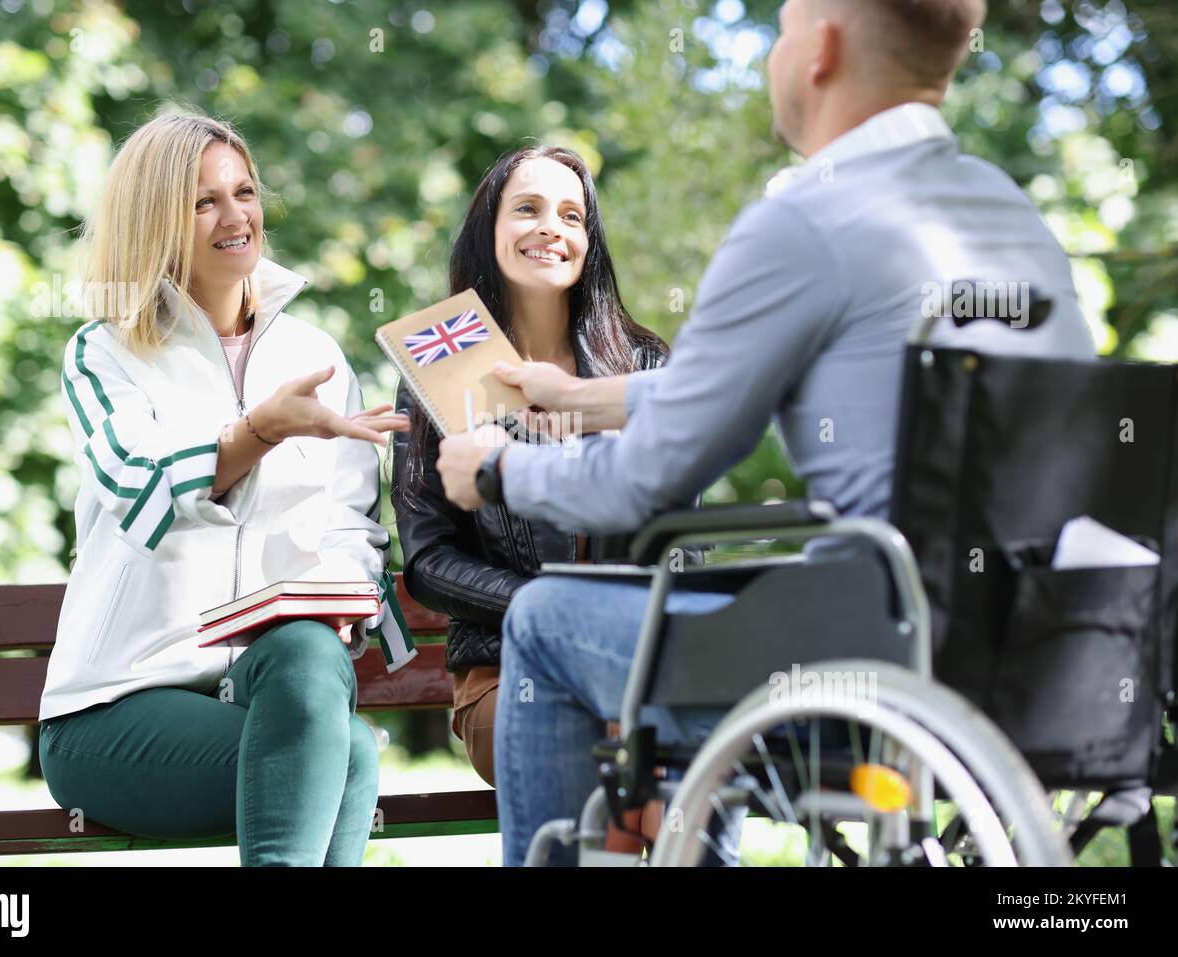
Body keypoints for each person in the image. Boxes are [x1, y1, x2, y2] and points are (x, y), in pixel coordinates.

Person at [434, 0, 1096, 865]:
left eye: (781, 28)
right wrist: (580, 397)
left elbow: (648, 478)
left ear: (820, 46)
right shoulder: (1008, 216)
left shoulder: (808, 221)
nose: (772, 53)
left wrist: (498, 472)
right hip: (1050, 658)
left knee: (548, 619)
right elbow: (718, 391)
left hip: (878, 656)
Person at [37, 113, 411, 866]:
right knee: (348, 759)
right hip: (114, 711)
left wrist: (343, 600)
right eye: (203, 202)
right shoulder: (105, 350)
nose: (236, 216)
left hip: (264, 694)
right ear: (155, 220)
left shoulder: (316, 356)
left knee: (311, 659)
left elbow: (351, 528)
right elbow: (136, 482)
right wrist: (257, 433)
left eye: (244, 192)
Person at [391, 145, 670, 787]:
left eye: (573, 216)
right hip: (507, 667)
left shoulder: (647, 366)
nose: (552, 227)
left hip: (638, 657)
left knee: (668, 743)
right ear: (488, 231)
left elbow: (681, 539)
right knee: (582, 739)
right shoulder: (437, 370)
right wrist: (548, 607)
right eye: (527, 209)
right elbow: (428, 563)